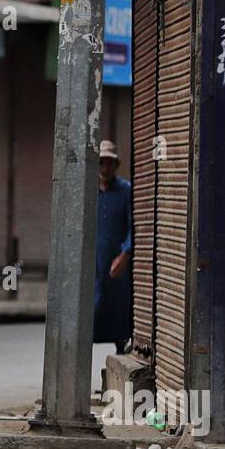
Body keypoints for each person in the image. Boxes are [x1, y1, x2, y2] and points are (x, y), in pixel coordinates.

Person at [94, 140, 133, 351]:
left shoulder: (126, 191)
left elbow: (134, 225)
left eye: (109, 163)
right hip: (94, 261)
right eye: (101, 163)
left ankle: (120, 351)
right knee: (93, 309)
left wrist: (125, 254)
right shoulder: (88, 193)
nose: (105, 168)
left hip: (117, 262)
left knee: (118, 311)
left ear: (116, 165)